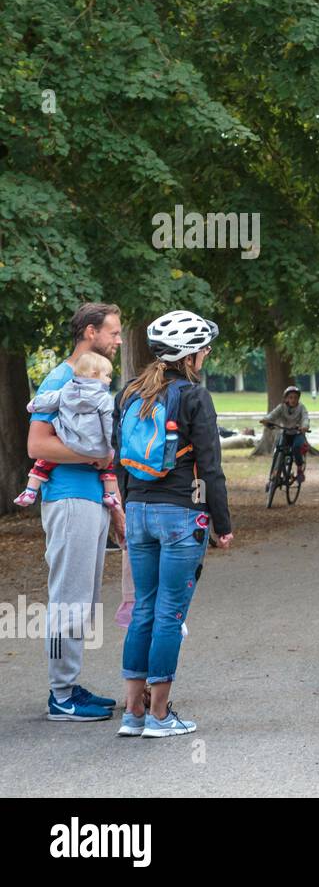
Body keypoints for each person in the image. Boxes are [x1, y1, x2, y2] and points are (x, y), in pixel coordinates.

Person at [115, 310, 232, 738]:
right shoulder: (194, 397)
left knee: (143, 609)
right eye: (204, 348)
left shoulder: (128, 392)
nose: (207, 354)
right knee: (168, 613)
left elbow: (119, 458)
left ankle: (132, 714)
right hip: (182, 513)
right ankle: (161, 716)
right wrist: (223, 523)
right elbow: (211, 466)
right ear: (190, 356)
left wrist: (129, 508)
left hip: (140, 513)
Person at [29, 303, 124, 722]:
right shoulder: (62, 378)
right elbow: (37, 445)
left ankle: (68, 686)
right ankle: (60, 696)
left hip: (90, 499)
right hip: (67, 499)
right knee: (67, 599)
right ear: (90, 332)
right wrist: (95, 457)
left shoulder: (93, 377)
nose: (119, 341)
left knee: (82, 601)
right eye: (114, 333)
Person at [16, 351, 120, 510]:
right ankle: (110, 495)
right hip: (93, 446)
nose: (109, 379)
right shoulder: (104, 398)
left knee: (44, 462)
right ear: (94, 374)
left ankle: (31, 490)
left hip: (67, 440)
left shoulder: (68, 389)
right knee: (109, 466)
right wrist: (111, 446)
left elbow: (51, 399)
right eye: (107, 375)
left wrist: (34, 404)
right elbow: (108, 425)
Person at [260, 385, 311, 485]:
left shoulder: (301, 407)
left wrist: (304, 426)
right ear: (286, 398)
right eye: (290, 397)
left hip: (297, 433)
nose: (293, 400)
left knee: (297, 447)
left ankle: (299, 469)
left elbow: (305, 418)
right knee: (278, 449)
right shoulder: (281, 407)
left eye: (295, 397)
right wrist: (266, 420)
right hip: (285, 433)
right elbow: (273, 414)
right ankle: (275, 473)